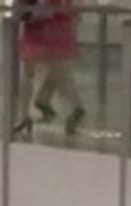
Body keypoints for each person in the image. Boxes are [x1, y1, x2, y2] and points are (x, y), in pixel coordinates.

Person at [15, 0, 85, 136]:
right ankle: (76, 105)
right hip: (50, 24)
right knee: (57, 70)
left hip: (45, 24)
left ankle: (24, 115)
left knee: (40, 71)